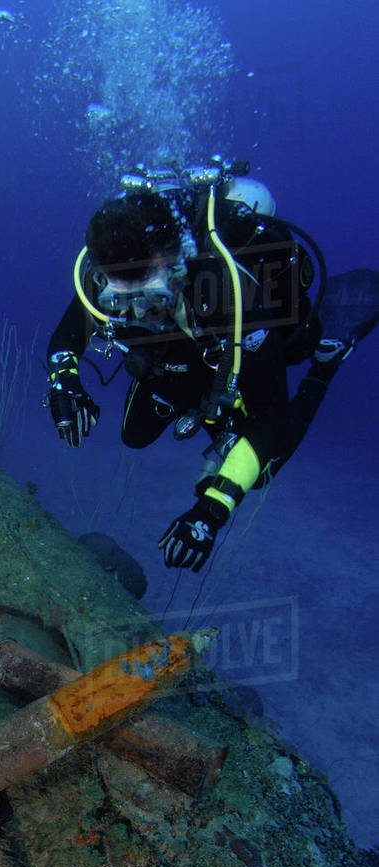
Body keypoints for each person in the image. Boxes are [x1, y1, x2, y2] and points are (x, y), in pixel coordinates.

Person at [46, 161, 379, 571]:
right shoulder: (106, 273)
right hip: (179, 358)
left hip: (235, 349)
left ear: (177, 269)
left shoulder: (228, 294)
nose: (136, 313)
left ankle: (328, 359)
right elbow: (65, 338)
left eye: (148, 297)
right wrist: (65, 383)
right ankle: (204, 410)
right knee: (135, 435)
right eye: (120, 303)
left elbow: (270, 416)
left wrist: (212, 509)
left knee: (261, 471)